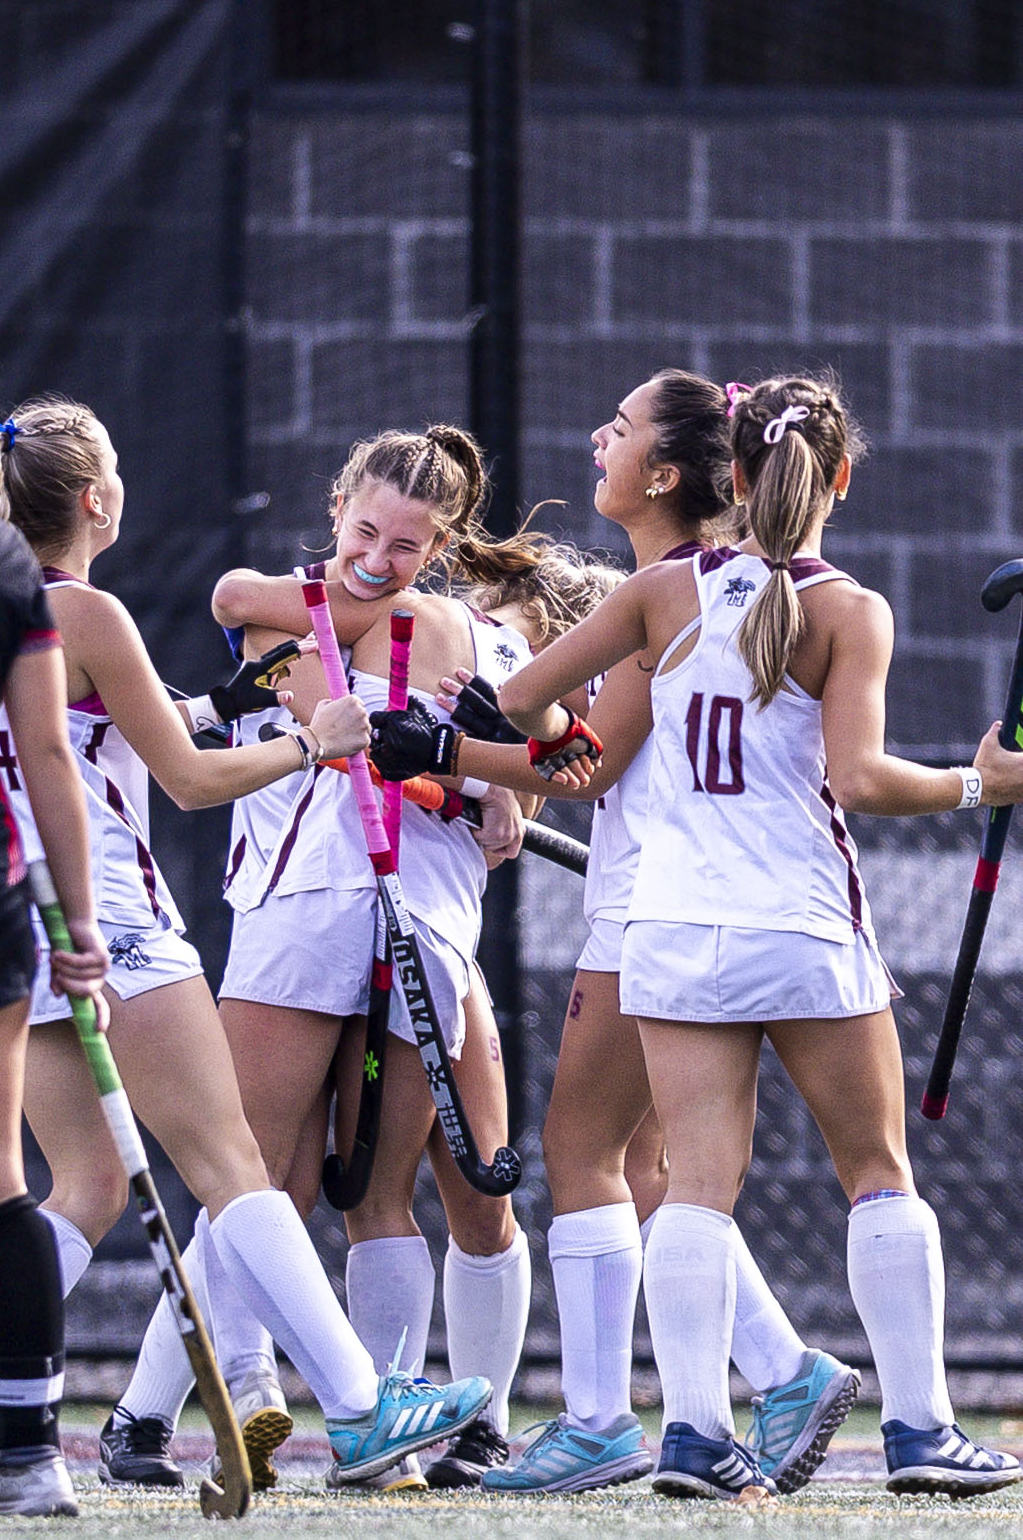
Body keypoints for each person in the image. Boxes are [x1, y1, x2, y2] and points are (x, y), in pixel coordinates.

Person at [0, 401, 487, 1498]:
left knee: (83, 1183)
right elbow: (192, 780)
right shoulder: (86, 610)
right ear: (94, 501)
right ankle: (362, 1408)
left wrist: (217, 707)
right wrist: (314, 740)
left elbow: (123, 728)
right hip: (108, 916)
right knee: (231, 1163)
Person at [493, 372, 1023, 1500]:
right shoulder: (849, 608)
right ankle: (922, 1431)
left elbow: (529, 705)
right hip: (803, 925)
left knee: (695, 1184)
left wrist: (549, 747)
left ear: (730, 477)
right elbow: (862, 779)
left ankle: (693, 1433)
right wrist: (976, 787)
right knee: (877, 1171)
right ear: (834, 478)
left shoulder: (662, 590)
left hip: (675, 931)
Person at [468, 372, 828, 1496]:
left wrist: (437, 750)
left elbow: (582, 760)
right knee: (643, 1163)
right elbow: (584, 752)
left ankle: (597, 1420)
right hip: (696, 898)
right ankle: (784, 1369)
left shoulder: (670, 589)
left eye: (618, 431)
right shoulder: (701, 583)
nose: (598, 438)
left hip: (649, 908)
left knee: (584, 1152)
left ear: (664, 473)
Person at [196, 428, 547, 1490]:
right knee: (254, 1166)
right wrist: (392, 631)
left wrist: (502, 796)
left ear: (438, 543)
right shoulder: (281, 608)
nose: (380, 556)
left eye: (408, 543)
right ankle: (238, 1392)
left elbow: (530, 760)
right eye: (364, 530)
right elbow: (235, 598)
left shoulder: (475, 637)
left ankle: (428, 1425)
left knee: (386, 1185)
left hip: (425, 919)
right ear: (337, 501)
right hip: (299, 904)